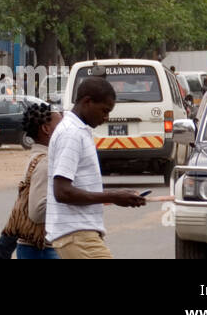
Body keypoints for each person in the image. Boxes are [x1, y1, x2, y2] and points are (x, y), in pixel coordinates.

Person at [47, 77, 146, 258]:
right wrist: (113, 196)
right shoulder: (71, 133)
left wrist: (118, 195)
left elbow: (78, 187)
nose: (106, 118)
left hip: (79, 235)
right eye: (104, 110)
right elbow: (62, 192)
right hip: (77, 235)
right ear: (87, 102)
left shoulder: (79, 130)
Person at [0, 102, 62, 258]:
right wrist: (71, 201)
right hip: (41, 248)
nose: (65, 130)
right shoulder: (45, 162)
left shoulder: (38, 157)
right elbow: (37, 212)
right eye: (60, 125)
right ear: (46, 129)